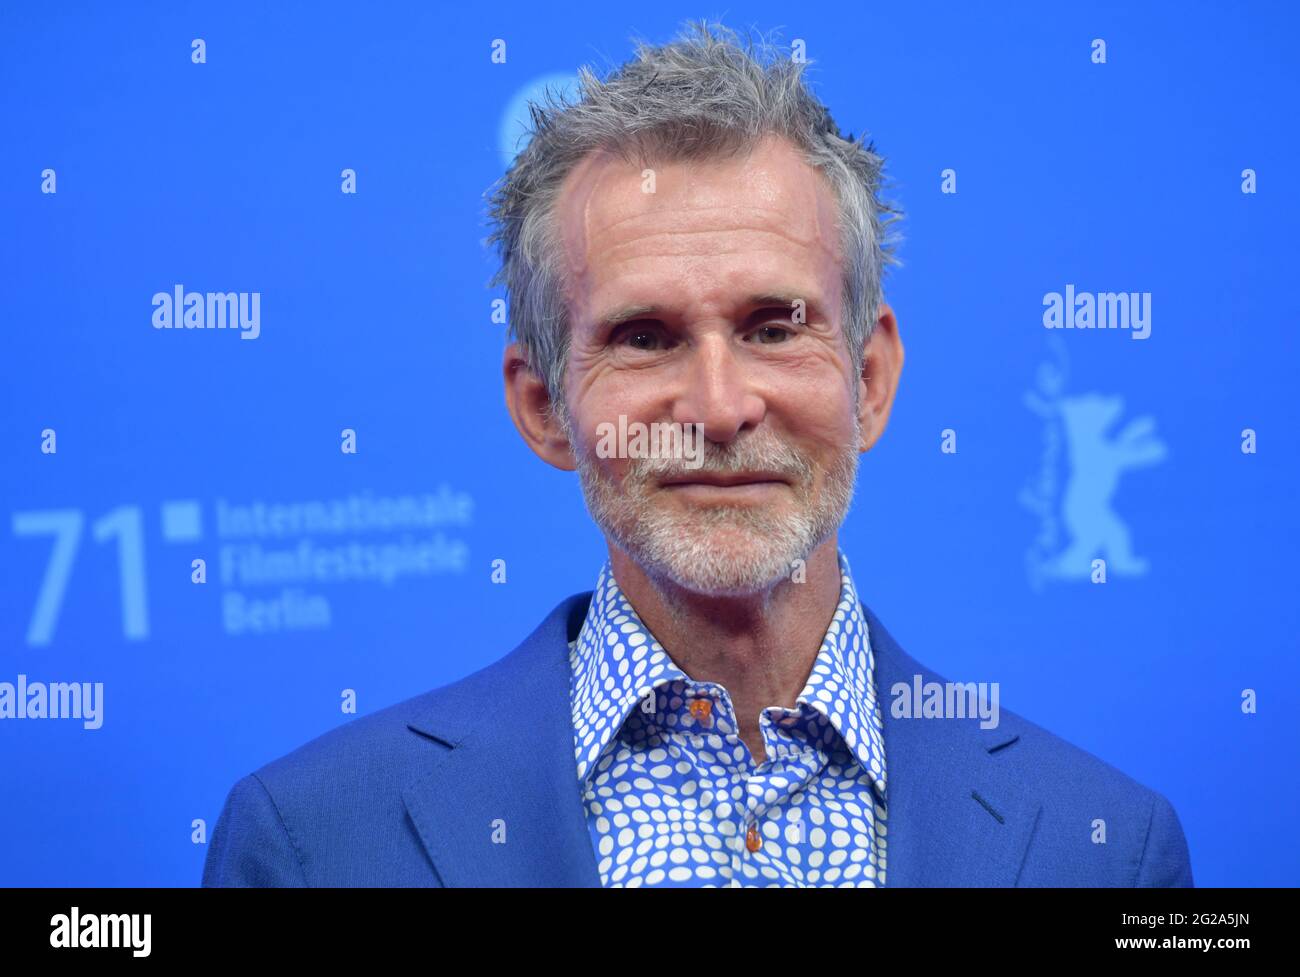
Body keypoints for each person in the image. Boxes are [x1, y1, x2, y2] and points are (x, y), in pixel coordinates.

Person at [203, 20, 1193, 888]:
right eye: (645, 337)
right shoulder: (315, 841)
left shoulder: (1102, 843)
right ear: (544, 406)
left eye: (773, 325)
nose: (720, 409)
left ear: (871, 380)